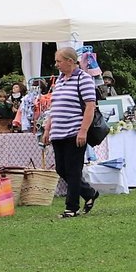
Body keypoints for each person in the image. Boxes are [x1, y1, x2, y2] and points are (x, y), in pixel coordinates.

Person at [42, 46, 100, 219]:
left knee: (73, 170)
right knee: (61, 169)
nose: (56, 64)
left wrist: (83, 131)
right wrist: (47, 128)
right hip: (58, 132)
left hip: (74, 131)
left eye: (59, 61)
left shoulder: (84, 79)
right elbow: (54, 107)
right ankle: (89, 193)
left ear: (70, 61)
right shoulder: (60, 80)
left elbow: (90, 106)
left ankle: (71, 207)